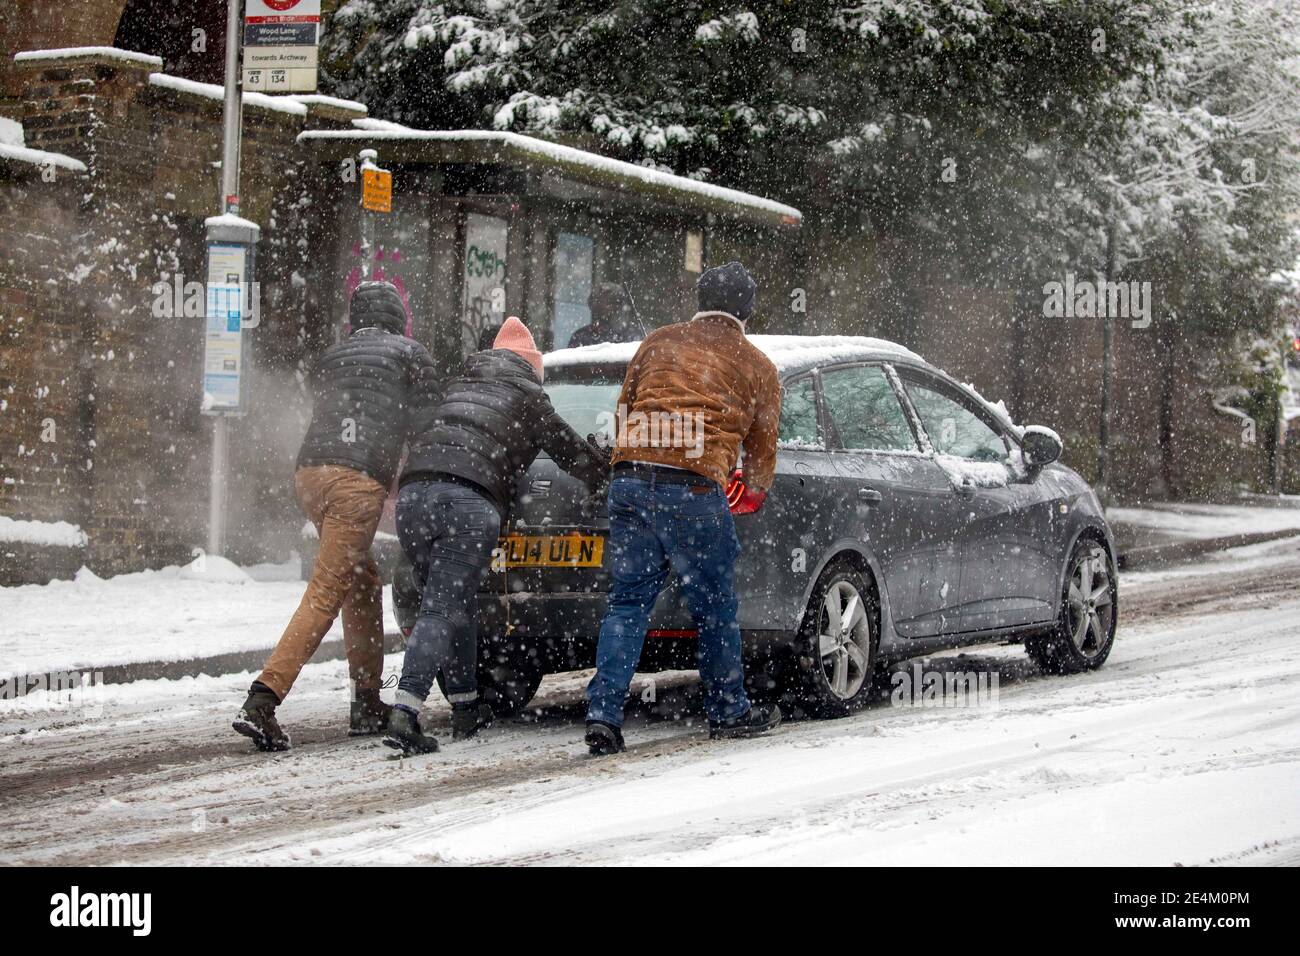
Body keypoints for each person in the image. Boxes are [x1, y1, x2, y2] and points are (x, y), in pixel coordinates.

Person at [384, 316, 609, 755]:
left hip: (412, 499)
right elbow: (571, 453)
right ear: (531, 366)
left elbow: (418, 430)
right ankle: (405, 711)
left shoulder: (455, 385)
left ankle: (466, 704)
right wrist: (604, 471)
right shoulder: (528, 397)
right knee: (441, 606)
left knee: (456, 599)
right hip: (467, 503)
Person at [584, 261, 783, 755]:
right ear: (747, 311)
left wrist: (634, 455)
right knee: (714, 604)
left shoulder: (657, 342)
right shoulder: (758, 366)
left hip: (629, 474)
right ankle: (729, 709)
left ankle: (604, 715)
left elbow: (624, 407)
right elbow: (762, 451)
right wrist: (751, 492)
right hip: (693, 484)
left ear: (698, 301)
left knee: (628, 601)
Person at [233, 280, 434, 751]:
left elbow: (333, 402)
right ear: (398, 318)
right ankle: (262, 701)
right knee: (327, 590)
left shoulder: (334, 355)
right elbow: (427, 424)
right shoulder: (410, 353)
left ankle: (367, 701)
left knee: (360, 579)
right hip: (355, 482)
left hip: (310, 474)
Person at [566, 282, 641, 348]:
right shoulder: (580, 337)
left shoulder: (632, 337)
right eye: (598, 302)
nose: (610, 307)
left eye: (612, 302)